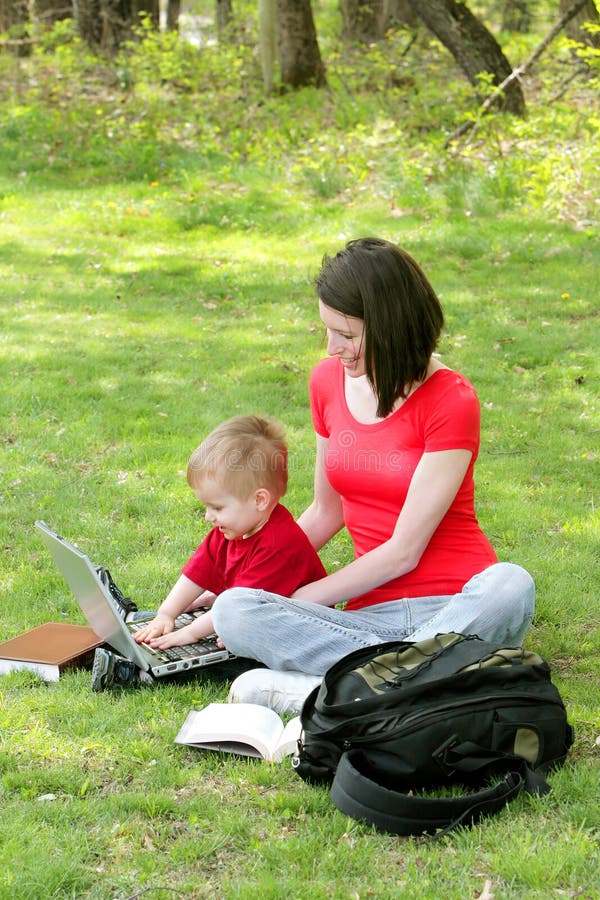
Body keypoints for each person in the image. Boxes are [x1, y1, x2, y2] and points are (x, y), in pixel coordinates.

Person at [210, 237, 536, 713]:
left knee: (511, 584)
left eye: (345, 334)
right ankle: (409, 681)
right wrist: (245, 583)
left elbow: (404, 552)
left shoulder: (452, 399)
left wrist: (305, 597)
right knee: (234, 611)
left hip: (458, 607)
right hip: (367, 622)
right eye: (327, 331)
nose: (332, 348)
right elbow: (325, 512)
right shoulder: (327, 382)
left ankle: (339, 689)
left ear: (389, 326)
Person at [91, 415, 326, 690]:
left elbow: (235, 609)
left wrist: (190, 634)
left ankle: (141, 675)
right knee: (194, 625)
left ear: (259, 500)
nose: (208, 516)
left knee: (229, 660)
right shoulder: (235, 528)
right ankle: (136, 623)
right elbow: (198, 572)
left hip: (288, 639)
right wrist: (167, 614)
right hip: (247, 619)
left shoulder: (278, 544)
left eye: (217, 507)